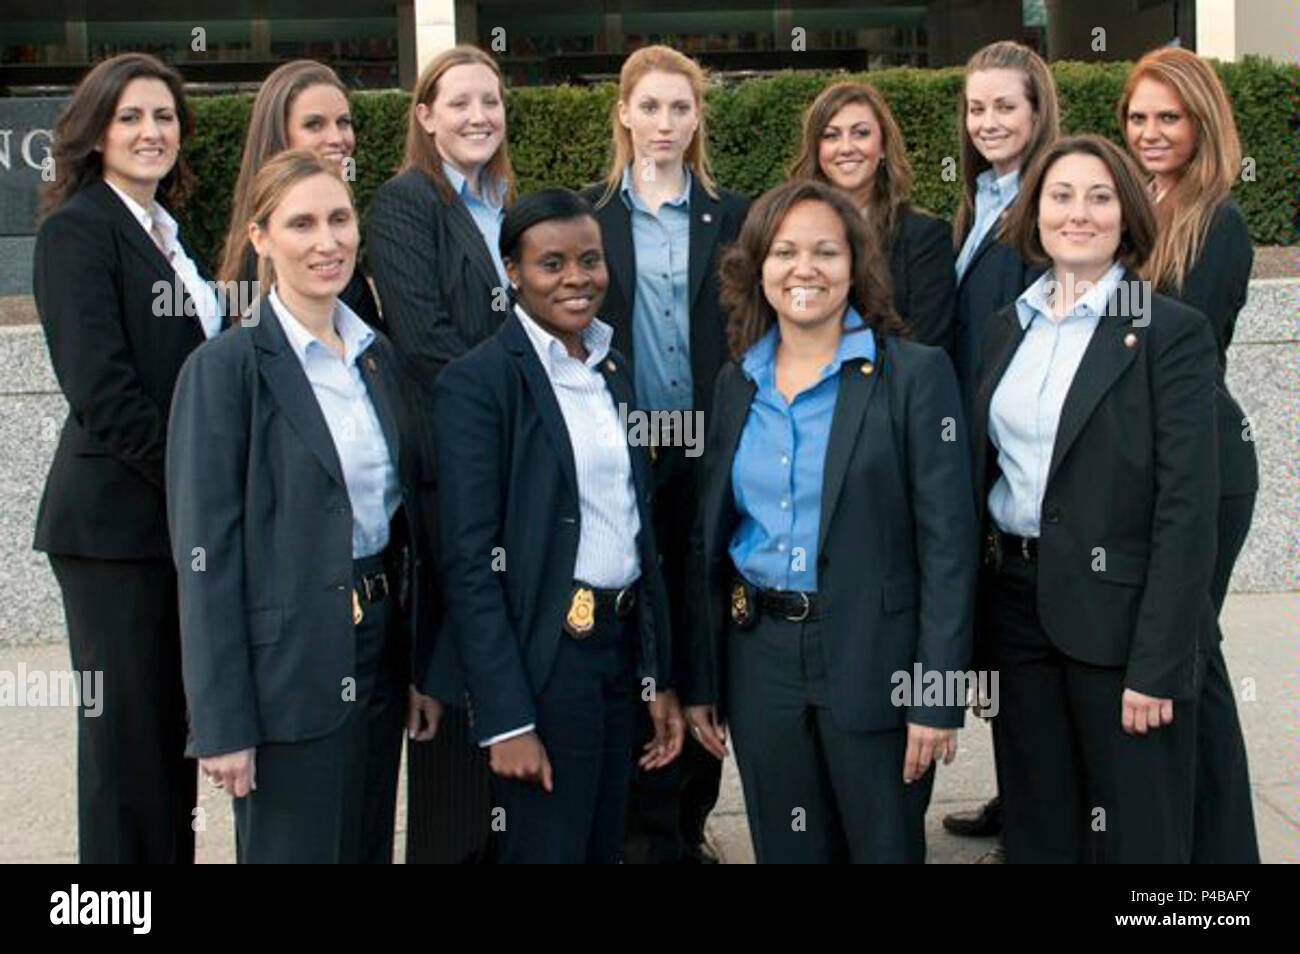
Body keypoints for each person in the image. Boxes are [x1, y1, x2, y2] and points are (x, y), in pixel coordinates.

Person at [684, 179, 977, 863]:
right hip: (760, 658)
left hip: (876, 658)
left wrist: (936, 695)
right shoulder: (737, 382)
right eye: (784, 251)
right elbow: (708, 542)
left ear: (857, 265)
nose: (804, 269)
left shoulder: (915, 375)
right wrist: (702, 679)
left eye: (826, 251)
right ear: (757, 267)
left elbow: (949, 549)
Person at [167, 150, 425, 863]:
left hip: (376, 652)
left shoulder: (379, 359)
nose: (326, 241)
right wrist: (221, 721)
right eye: (302, 223)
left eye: (339, 219)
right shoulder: (225, 371)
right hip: (286, 673)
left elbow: (407, 526)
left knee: (366, 846)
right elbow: (204, 558)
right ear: (260, 238)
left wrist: (416, 666)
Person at [973, 135, 1217, 862]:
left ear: (1127, 213)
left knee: (1139, 836)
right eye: (1061, 196)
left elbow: (1188, 510)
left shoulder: (1170, 331)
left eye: (1100, 197)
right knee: (1039, 827)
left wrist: (1158, 664)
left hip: (1120, 627)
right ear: (1035, 212)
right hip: (1018, 611)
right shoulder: (1004, 328)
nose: (1078, 213)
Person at [428, 188, 685, 863]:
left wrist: (657, 676)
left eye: (590, 260)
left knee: (604, 846)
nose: (577, 278)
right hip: (547, 663)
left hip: (621, 651)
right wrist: (506, 716)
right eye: (552, 264)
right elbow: (469, 563)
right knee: (548, 849)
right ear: (511, 271)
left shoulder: (614, 369)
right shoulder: (478, 384)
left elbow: (638, 529)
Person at [32, 52, 222, 864]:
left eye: (165, 116)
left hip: (170, 526)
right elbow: (103, 394)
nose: (153, 132)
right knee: (125, 751)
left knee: (166, 739)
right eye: (132, 117)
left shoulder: (171, 235)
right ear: (93, 132)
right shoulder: (78, 231)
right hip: (114, 532)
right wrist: (196, 485)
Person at [583, 44, 749, 865]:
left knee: (704, 614)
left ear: (697, 119)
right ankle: (642, 821)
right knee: (638, 619)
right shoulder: (591, 218)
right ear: (623, 113)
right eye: (649, 107)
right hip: (627, 449)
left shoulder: (734, 216)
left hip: (714, 446)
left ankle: (690, 813)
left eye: (680, 109)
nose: (665, 124)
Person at [364, 44, 517, 863]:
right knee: (455, 676)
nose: (477, 117)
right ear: (425, 116)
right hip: (452, 471)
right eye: (458, 103)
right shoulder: (405, 201)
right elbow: (425, 340)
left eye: (490, 102)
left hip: (513, 470)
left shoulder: (503, 204)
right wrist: (526, 404)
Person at [1119, 45, 1259, 863]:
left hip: (1203, 462)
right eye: (1137, 117)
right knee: (1173, 653)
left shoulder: (1219, 221)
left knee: (1190, 655)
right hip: (1143, 468)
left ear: (1202, 121)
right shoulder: (1129, 202)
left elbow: (1182, 364)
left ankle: (1224, 861)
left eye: (1167, 117)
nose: (1150, 132)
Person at [943, 40, 1059, 853]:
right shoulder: (982, 196)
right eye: (976, 108)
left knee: (1032, 647)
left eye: (1004, 107)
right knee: (1003, 645)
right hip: (974, 441)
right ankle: (1019, 797)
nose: (988, 122)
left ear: (1038, 110)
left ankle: (1041, 816)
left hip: (1019, 450)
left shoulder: (1049, 200)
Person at [790, 80, 955, 354]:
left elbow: (927, 348)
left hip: (893, 392)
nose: (846, 147)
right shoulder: (788, 233)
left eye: (861, 133)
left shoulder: (925, 237)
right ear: (817, 151)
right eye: (831, 135)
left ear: (882, 148)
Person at [218, 59, 382, 329]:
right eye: (314, 125)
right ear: (279, 135)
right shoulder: (264, 257)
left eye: (343, 122)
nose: (337, 138)